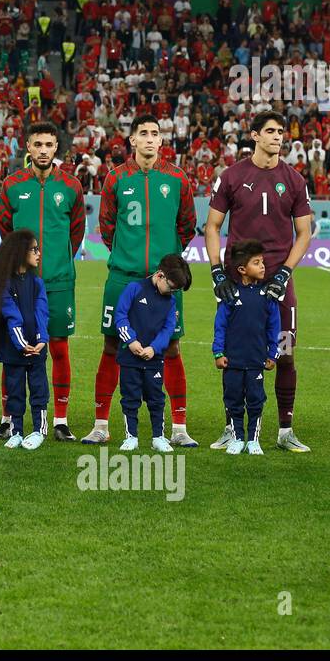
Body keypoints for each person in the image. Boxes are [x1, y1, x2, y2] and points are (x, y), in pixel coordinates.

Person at [204, 111, 313, 453]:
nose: (278, 137)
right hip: (237, 282)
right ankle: (232, 428)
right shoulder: (233, 176)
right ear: (254, 135)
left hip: (278, 280)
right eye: (270, 131)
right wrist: (216, 272)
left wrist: (284, 272)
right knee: (236, 354)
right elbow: (212, 227)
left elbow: (304, 232)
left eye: (281, 131)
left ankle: (285, 430)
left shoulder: (294, 180)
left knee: (285, 353)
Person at [89, 116, 197, 446]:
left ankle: (178, 427)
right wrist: (128, 255)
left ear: (161, 141)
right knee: (111, 344)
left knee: (172, 347)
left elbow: (187, 226)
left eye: (155, 134)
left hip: (165, 282)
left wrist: (165, 264)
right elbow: (106, 225)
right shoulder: (116, 178)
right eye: (143, 134)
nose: (150, 139)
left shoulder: (177, 178)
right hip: (124, 276)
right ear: (132, 140)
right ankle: (101, 424)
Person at [0, 121, 85, 442]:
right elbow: (6, 230)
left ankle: (60, 419)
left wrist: (56, 260)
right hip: (19, 283)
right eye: (37, 144)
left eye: (49, 144)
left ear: (56, 148)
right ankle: (8, 418)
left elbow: (76, 233)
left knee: (58, 347)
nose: (43, 150)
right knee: (11, 348)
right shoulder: (12, 185)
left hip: (58, 281)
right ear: (27, 148)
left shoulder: (71, 186)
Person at [0, 228, 51, 451]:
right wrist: (21, 344)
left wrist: (41, 340)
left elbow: (41, 312)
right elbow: (12, 315)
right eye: (34, 249)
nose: (38, 253)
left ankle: (39, 430)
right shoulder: (4, 284)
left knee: (39, 390)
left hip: (36, 349)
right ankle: (16, 431)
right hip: (14, 349)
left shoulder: (37, 283)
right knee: (14, 391)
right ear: (20, 252)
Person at [114, 254, 192, 453]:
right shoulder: (134, 288)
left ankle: (158, 437)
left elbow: (168, 330)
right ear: (160, 275)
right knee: (130, 398)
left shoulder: (171, 301)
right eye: (171, 287)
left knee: (156, 399)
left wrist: (153, 348)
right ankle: (131, 437)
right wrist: (131, 341)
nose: (172, 292)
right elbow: (120, 316)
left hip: (154, 359)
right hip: (130, 358)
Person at [211, 239, 281, 456]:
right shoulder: (230, 295)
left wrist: (273, 355)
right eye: (257, 262)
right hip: (232, 360)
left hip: (256, 360)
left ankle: (253, 439)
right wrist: (218, 352)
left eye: (263, 262)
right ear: (242, 269)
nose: (263, 266)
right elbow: (220, 325)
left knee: (255, 400)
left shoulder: (268, 296)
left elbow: (275, 327)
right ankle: (237, 437)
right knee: (233, 399)